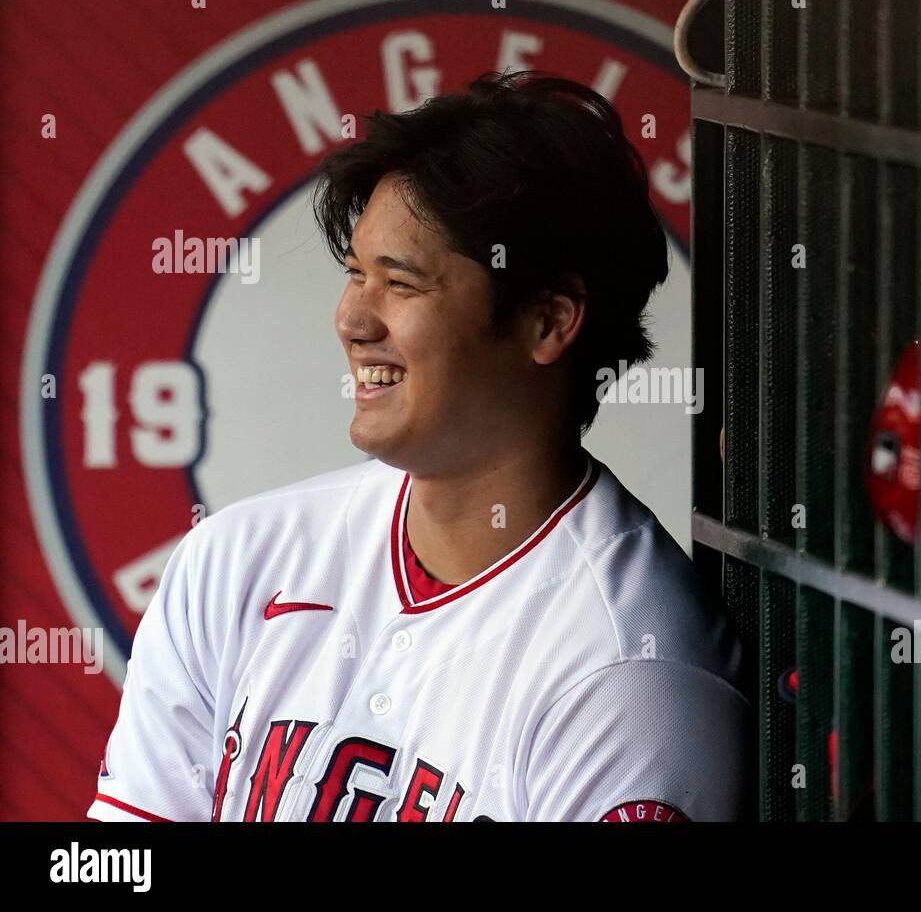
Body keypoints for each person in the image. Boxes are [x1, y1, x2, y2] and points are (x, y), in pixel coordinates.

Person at [88, 70, 751, 823]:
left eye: (400, 283)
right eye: (354, 274)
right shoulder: (237, 562)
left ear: (547, 322)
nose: (351, 319)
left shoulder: (631, 672)